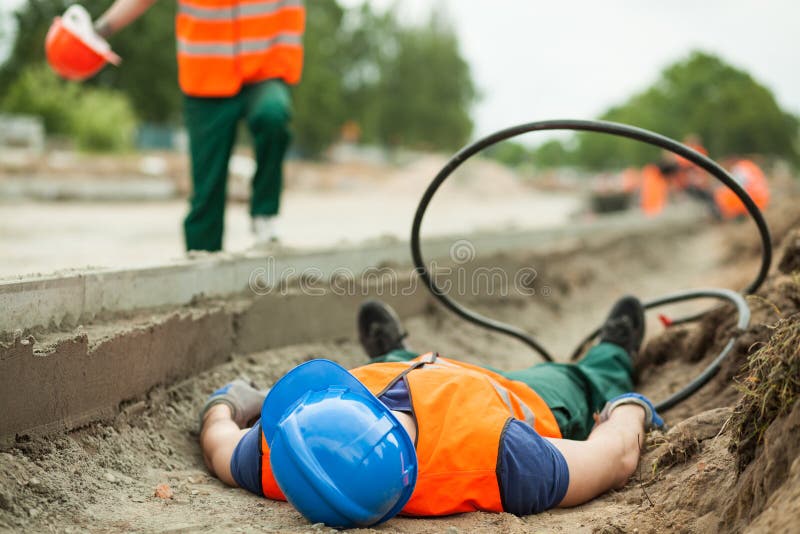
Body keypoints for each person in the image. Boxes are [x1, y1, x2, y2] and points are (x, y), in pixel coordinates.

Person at [198, 296, 665, 528]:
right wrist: (629, 409)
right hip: (514, 397)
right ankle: (613, 354)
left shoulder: (290, 458)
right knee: (580, 380)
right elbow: (614, 458)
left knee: (401, 365)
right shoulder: (505, 460)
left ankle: (399, 351)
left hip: (413, 370)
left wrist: (228, 402)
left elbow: (221, 442)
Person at [91, 0, 305, 249]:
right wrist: (99, 30)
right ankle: (202, 259)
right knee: (207, 188)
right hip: (207, 77)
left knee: (273, 115)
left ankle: (265, 215)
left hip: (265, 69)